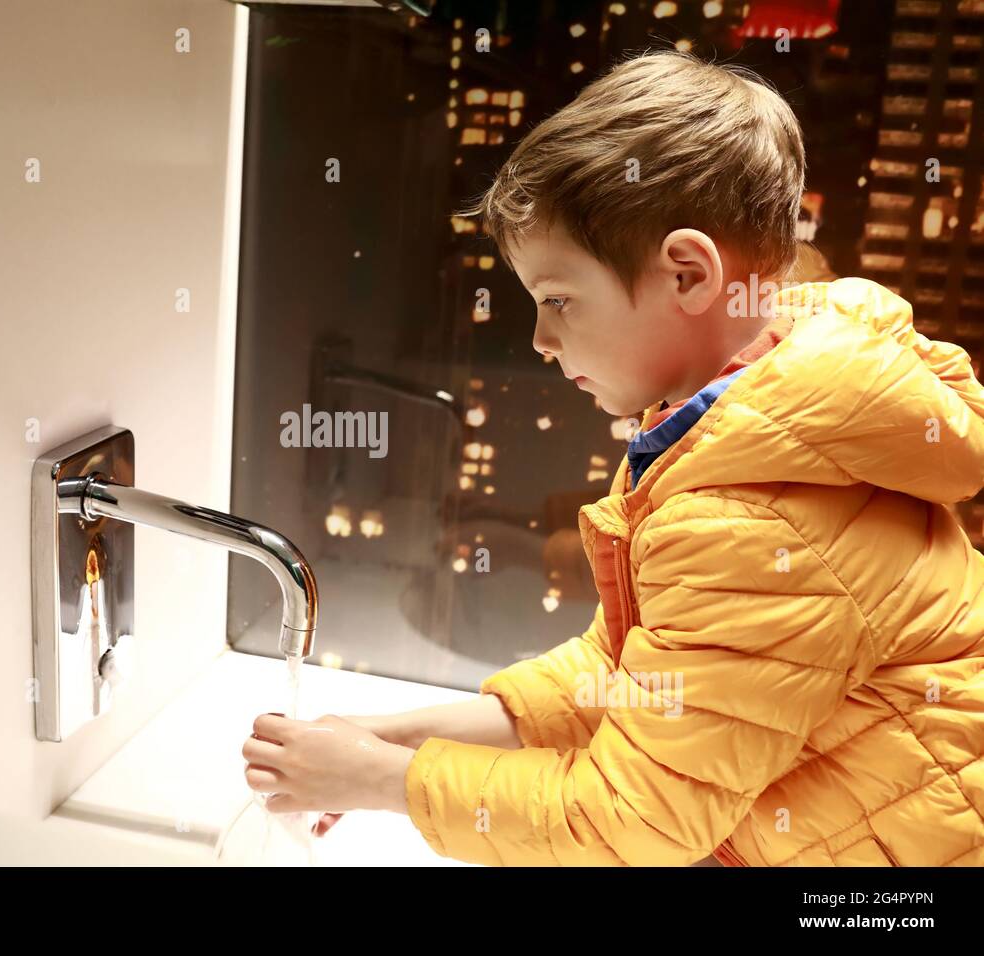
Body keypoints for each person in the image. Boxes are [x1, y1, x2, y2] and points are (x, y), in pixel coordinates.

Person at [240, 49, 984, 866]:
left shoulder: (753, 512)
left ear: (691, 274)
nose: (541, 340)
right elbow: (631, 672)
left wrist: (388, 781)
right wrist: (390, 738)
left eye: (558, 299)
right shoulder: (753, 419)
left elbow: (633, 825)